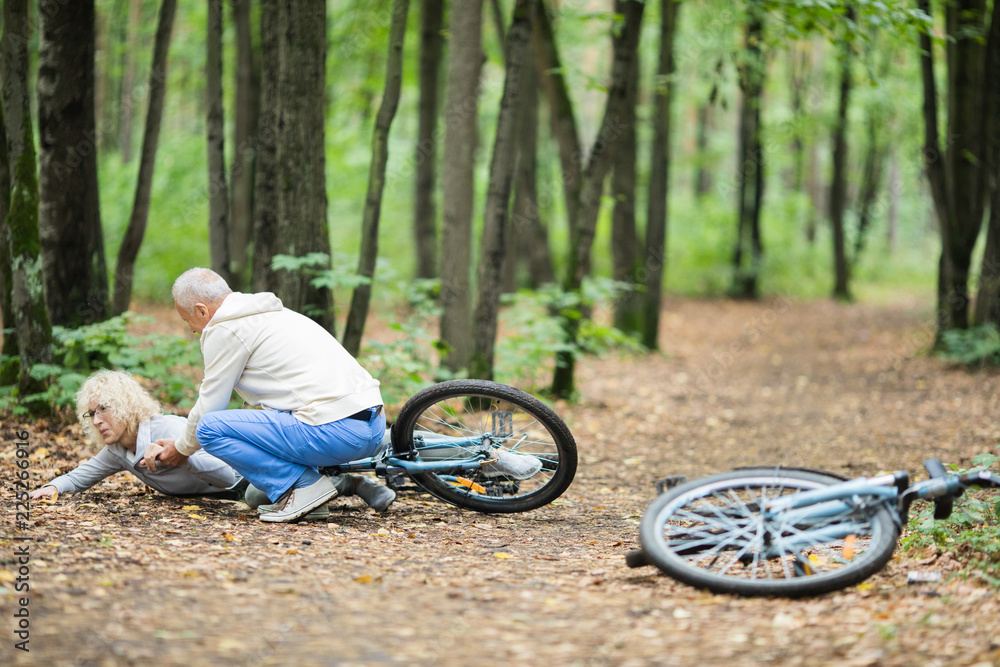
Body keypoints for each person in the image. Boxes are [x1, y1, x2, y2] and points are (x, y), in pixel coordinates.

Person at [146, 267, 396, 523]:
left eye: (187, 320)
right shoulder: (270, 313)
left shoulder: (225, 329)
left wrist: (181, 448)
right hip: (372, 423)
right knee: (257, 494)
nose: (191, 329)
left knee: (210, 428)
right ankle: (318, 493)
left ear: (201, 310)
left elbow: (210, 407)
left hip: (334, 430)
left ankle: (307, 486)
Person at [29, 370, 242, 500]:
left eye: (103, 409)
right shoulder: (118, 450)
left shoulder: (167, 429)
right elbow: (79, 477)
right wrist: (53, 487)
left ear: (126, 406)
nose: (96, 420)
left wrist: (181, 455)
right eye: (92, 414)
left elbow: (228, 477)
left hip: (246, 483)